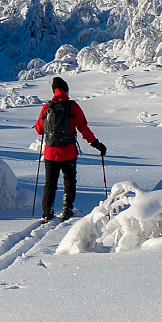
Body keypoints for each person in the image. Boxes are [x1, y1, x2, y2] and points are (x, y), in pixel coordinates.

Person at [33, 76, 105, 221]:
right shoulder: (73, 106)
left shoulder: (47, 107)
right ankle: (67, 208)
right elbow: (83, 128)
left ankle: (47, 212)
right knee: (69, 181)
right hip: (68, 152)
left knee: (50, 183)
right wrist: (96, 144)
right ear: (66, 90)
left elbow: (39, 130)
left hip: (50, 153)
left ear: (54, 91)